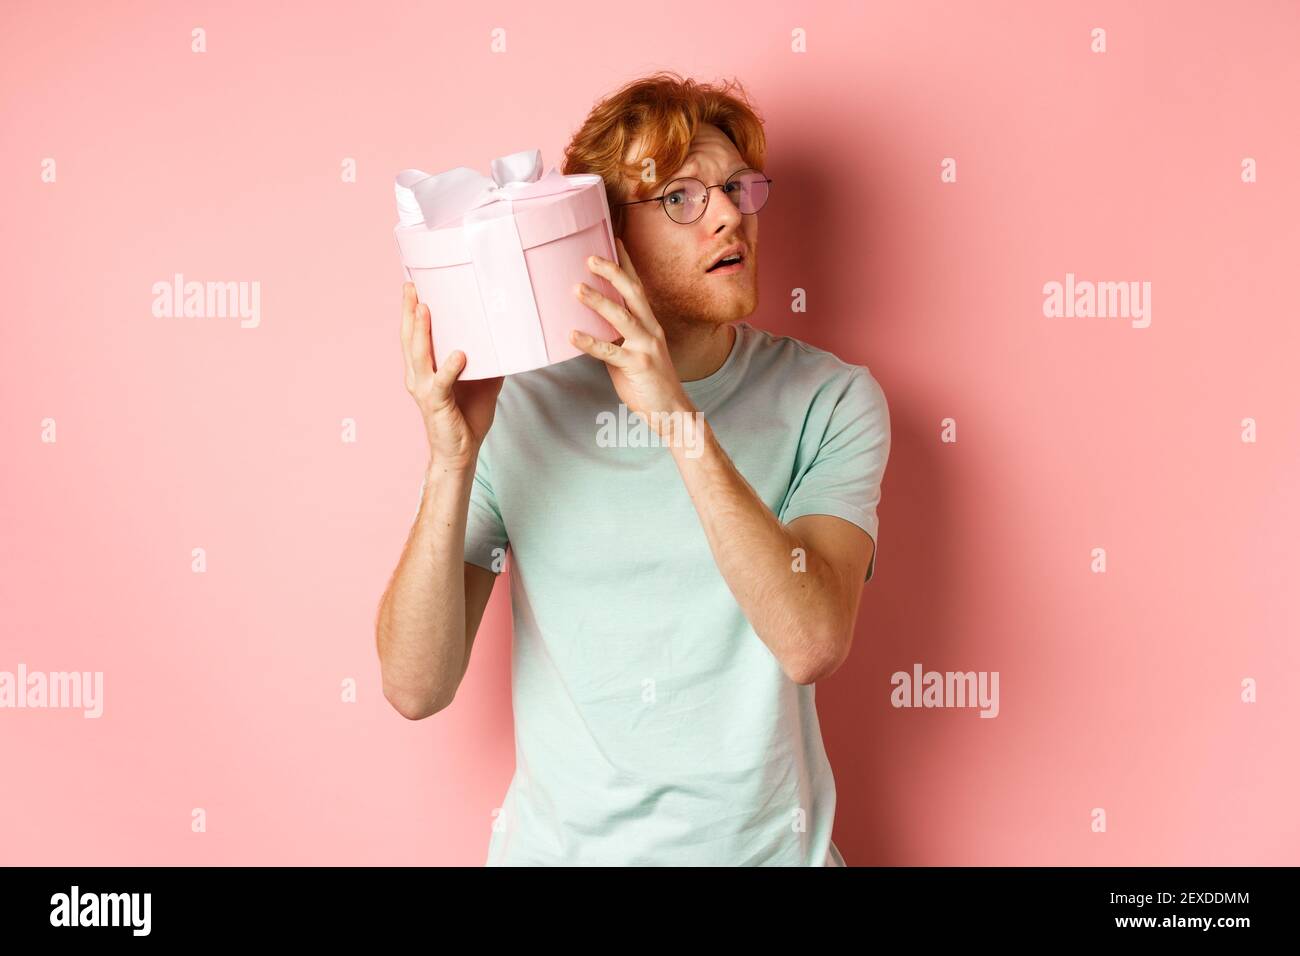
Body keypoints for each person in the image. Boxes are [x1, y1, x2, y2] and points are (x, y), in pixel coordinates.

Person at [376, 71, 891, 866]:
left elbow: (812, 642)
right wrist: (451, 460)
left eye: (737, 190)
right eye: (681, 197)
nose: (728, 217)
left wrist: (676, 421)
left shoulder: (831, 400)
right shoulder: (518, 408)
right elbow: (417, 687)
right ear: (602, 238)